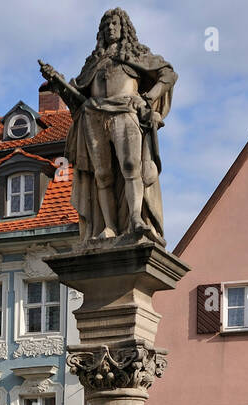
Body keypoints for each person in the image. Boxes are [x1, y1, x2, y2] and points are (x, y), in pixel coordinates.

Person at [39, 8, 176, 244]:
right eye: (107, 26)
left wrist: (148, 98)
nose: (111, 29)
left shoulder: (135, 54)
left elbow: (168, 75)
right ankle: (109, 226)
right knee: (101, 174)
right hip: (94, 115)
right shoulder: (93, 63)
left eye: (115, 24)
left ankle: (135, 219)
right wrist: (57, 81)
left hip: (125, 111)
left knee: (131, 166)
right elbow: (76, 100)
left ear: (124, 29)